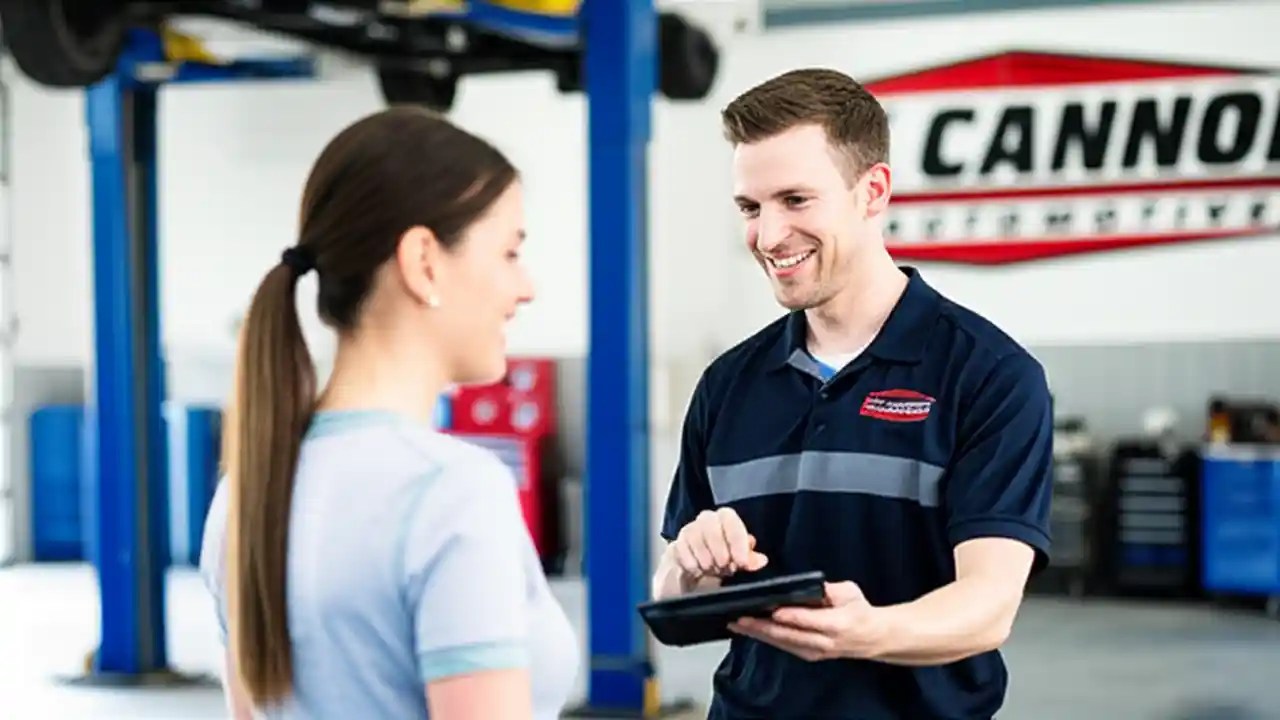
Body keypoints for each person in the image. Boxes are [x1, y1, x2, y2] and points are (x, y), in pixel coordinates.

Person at [652, 68, 1054, 719]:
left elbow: (988, 606)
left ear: (873, 192)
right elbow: (675, 604)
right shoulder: (728, 386)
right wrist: (691, 566)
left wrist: (869, 632)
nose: (768, 236)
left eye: (795, 200)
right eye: (751, 208)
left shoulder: (989, 376)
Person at [198, 107, 579, 720]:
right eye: (509, 253)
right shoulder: (452, 492)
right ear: (424, 262)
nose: (526, 287)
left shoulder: (246, 494)